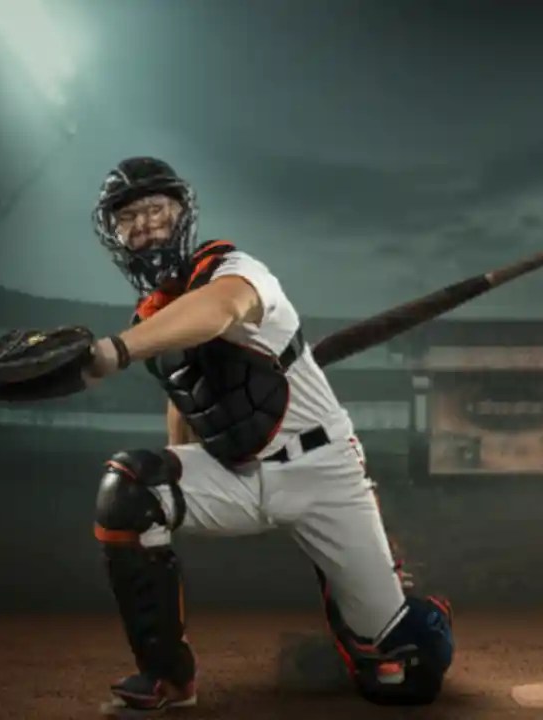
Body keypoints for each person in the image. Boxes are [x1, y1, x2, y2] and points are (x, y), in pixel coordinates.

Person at [80, 156, 454, 715]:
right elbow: (184, 395)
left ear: (183, 214)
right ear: (114, 236)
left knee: (405, 669)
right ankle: (168, 678)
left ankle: (393, 607)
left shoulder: (236, 269)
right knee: (129, 488)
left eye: (156, 208)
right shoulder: (152, 318)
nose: (145, 225)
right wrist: (181, 473)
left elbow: (218, 310)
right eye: (128, 217)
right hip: (237, 474)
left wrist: (116, 351)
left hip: (321, 469)